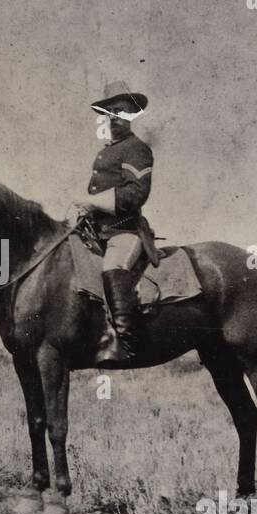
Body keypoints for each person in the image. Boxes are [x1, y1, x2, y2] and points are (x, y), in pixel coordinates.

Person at [67, 80, 153, 367]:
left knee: (111, 267)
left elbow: (135, 194)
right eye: (110, 112)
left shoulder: (137, 149)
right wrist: (84, 211)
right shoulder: (106, 151)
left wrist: (93, 202)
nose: (115, 117)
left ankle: (124, 342)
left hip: (125, 232)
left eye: (122, 111)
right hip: (97, 233)